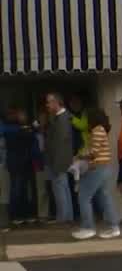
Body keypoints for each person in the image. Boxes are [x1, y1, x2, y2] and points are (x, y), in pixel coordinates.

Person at [72, 107, 121, 240]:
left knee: (84, 197)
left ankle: (88, 228)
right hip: (103, 167)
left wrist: (79, 156)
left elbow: (93, 151)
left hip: (97, 168)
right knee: (105, 198)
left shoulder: (97, 130)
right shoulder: (100, 130)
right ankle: (114, 227)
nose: (86, 120)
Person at [42, 93, 75, 224]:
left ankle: (63, 218)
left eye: (49, 102)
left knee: (60, 188)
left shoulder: (62, 118)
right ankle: (67, 216)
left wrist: (56, 163)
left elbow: (60, 143)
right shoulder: (59, 117)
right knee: (63, 187)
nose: (47, 105)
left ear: (56, 102)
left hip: (58, 160)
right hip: (58, 159)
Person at [4, 109, 36, 226]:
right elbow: (26, 136)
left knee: (25, 190)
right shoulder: (10, 128)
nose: (23, 116)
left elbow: (31, 138)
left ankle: (25, 214)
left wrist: (28, 129)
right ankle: (15, 215)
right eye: (20, 114)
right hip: (16, 163)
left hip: (26, 162)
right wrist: (27, 129)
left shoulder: (25, 128)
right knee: (16, 189)